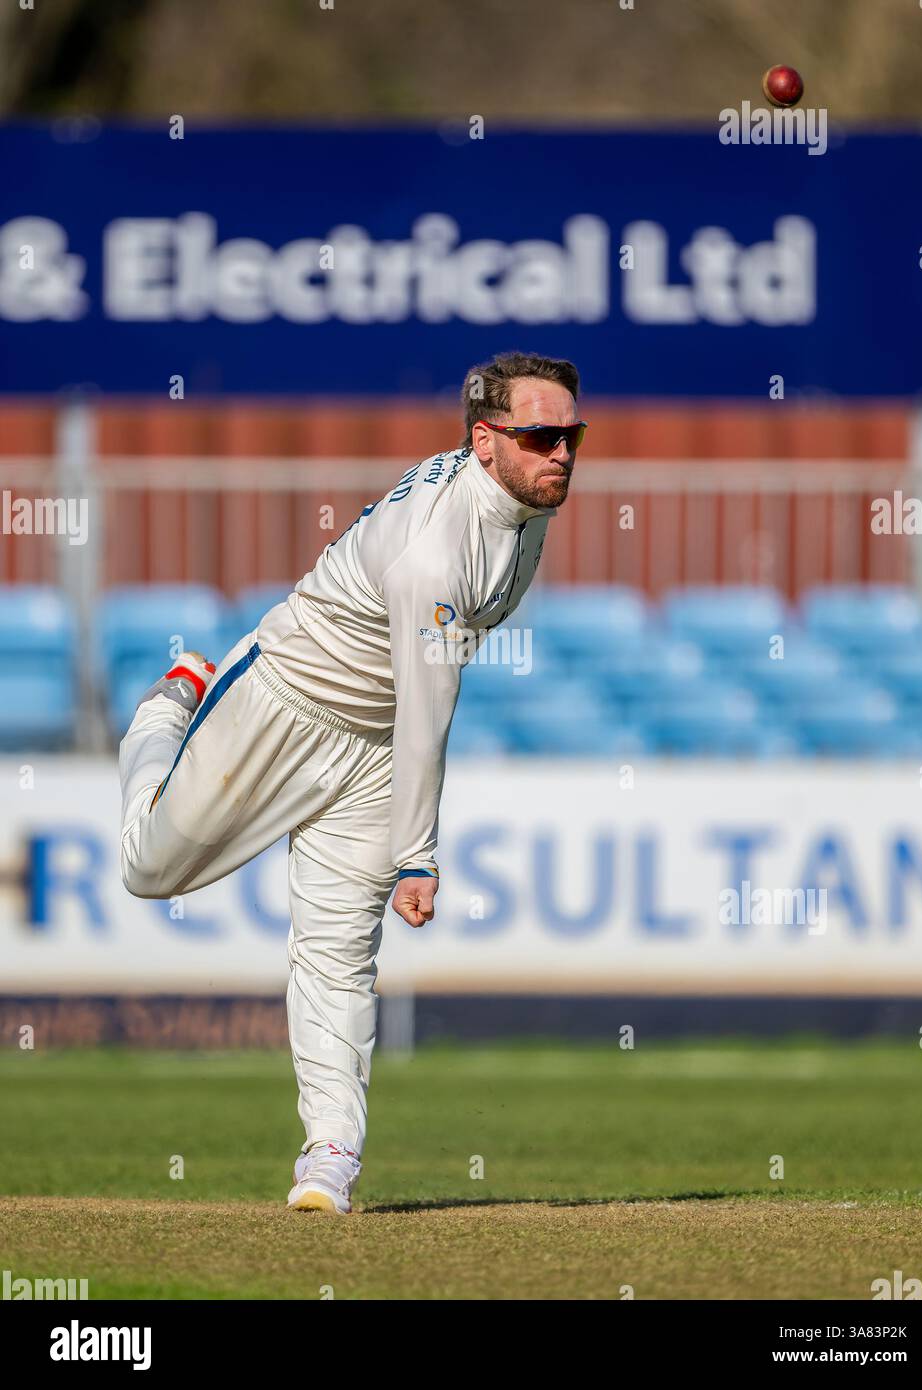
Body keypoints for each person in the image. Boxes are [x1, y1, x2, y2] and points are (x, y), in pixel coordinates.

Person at [118, 350, 585, 1213]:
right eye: (540, 435)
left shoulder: (523, 500)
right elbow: (429, 707)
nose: (560, 453)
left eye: (572, 435)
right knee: (147, 869)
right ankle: (167, 705)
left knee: (337, 956)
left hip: (368, 750)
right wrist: (418, 856)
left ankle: (328, 1156)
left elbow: (409, 712)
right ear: (486, 441)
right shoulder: (433, 555)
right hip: (282, 702)